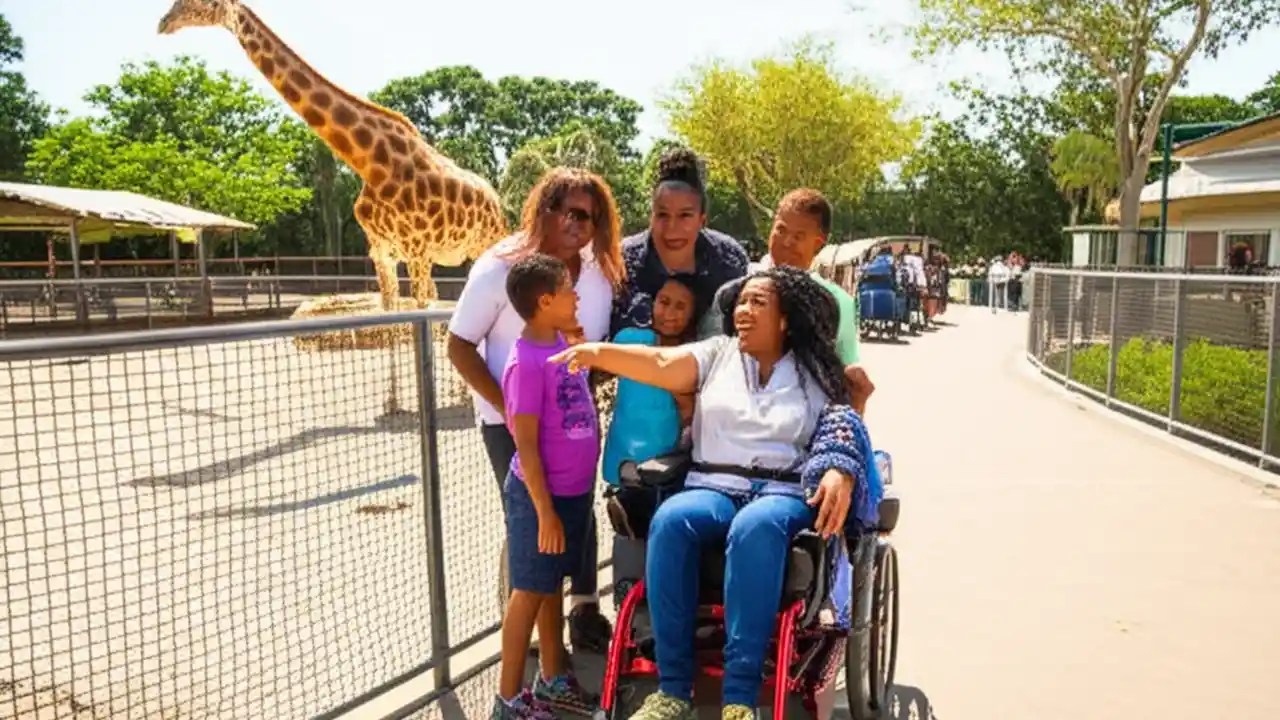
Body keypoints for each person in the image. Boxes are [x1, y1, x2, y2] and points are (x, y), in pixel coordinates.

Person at [549, 265, 881, 720]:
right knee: (671, 520)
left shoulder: (816, 373)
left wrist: (841, 463)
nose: (743, 310)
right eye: (741, 301)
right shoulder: (717, 354)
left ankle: (740, 700)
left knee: (755, 526)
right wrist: (597, 353)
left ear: (786, 319)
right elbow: (662, 364)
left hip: (781, 491)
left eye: (757, 302)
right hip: (712, 482)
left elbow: (841, 432)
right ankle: (672, 690)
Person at [447, 167, 623, 653]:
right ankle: (528, 650)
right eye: (567, 211)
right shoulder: (500, 268)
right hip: (512, 425)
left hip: (572, 427)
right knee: (528, 522)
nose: (578, 224)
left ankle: (579, 615)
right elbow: (459, 345)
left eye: (590, 215)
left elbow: (586, 353)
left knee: (574, 517)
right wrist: (513, 410)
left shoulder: (598, 275)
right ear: (542, 210)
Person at [492, 254, 602, 720]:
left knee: (549, 583)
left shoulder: (560, 344)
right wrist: (545, 512)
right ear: (544, 301)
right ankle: (508, 700)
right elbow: (528, 445)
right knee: (529, 591)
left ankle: (553, 682)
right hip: (544, 499)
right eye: (568, 290)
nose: (577, 297)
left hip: (573, 493)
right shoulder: (527, 364)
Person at [713, 188, 874, 415]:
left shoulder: (836, 304)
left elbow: (845, 385)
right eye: (781, 230)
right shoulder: (734, 293)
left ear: (818, 244)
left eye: (798, 236)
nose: (786, 242)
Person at [612, 146, 749, 339]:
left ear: (702, 220)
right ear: (651, 216)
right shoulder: (620, 261)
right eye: (662, 215)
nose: (672, 228)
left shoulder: (730, 261)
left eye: (685, 215)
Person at [600, 273, 701, 487]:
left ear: (694, 314)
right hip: (622, 457)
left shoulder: (693, 356)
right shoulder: (628, 341)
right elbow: (596, 368)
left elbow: (689, 415)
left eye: (681, 307)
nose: (669, 313)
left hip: (666, 463)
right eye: (663, 302)